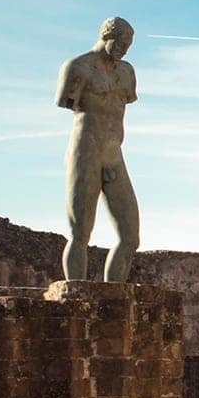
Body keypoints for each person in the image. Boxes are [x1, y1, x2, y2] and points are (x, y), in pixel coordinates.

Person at [57, 17, 141, 282]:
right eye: (120, 42)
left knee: (130, 236)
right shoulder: (78, 67)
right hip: (85, 151)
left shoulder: (126, 72)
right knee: (81, 231)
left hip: (114, 155)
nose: (124, 49)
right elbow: (68, 103)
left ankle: (114, 298)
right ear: (106, 35)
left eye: (129, 45)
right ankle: (74, 298)